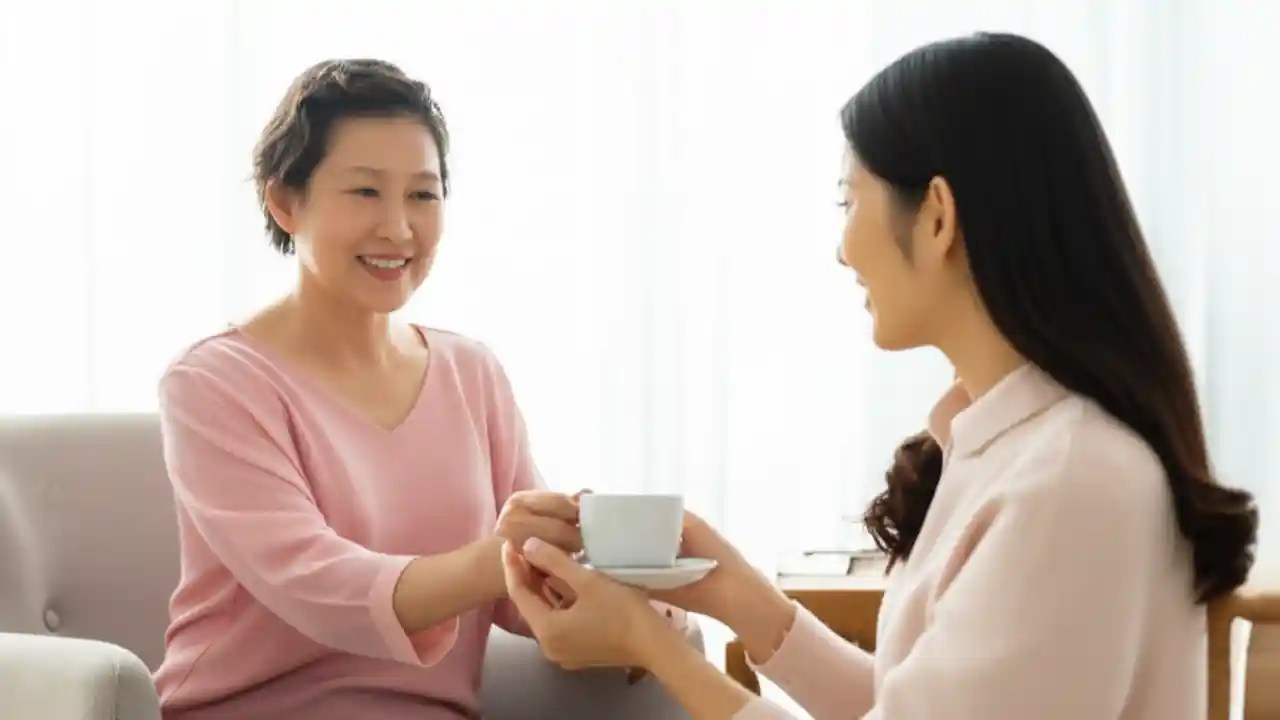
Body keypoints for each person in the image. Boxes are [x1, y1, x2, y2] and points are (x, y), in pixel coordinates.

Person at [500, 32, 1259, 719]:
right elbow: (908, 706)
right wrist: (731, 589)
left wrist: (648, 641)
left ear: (935, 216)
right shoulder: (1011, 448)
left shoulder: (1071, 478)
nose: (841, 249)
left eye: (848, 199)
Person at [151, 59, 589, 719]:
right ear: (283, 201)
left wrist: (610, 577)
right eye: (364, 192)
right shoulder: (213, 383)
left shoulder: (472, 374)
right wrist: (505, 555)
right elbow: (314, 582)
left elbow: (518, 592)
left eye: (423, 194)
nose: (398, 228)